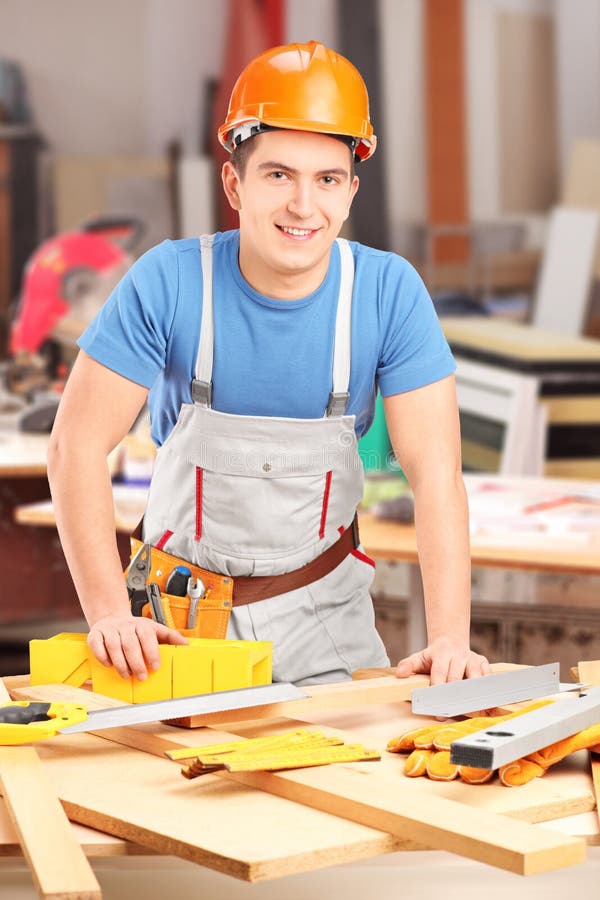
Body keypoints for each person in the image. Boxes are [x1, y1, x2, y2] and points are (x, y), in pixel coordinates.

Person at [47, 40, 490, 687]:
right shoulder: (169, 281)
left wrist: (450, 639)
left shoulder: (387, 293)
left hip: (327, 624)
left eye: (327, 179)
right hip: (172, 626)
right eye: (279, 175)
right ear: (235, 184)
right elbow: (74, 446)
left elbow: (437, 476)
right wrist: (111, 615)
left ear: (350, 191)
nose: (304, 206)